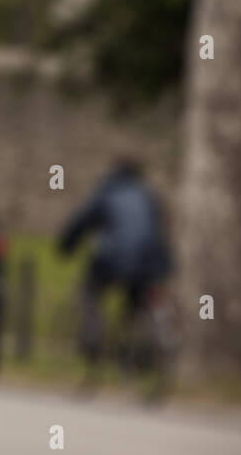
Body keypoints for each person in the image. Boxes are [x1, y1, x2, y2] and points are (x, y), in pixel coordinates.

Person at [58, 156, 173, 386]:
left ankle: (92, 344)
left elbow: (81, 222)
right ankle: (133, 352)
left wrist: (66, 245)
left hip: (114, 259)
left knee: (89, 293)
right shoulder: (148, 196)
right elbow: (158, 228)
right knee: (137, 300)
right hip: (151, 263)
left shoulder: (106, 193)